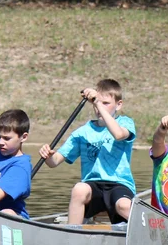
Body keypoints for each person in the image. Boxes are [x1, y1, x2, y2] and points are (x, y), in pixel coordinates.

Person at [38, 80, 136, 224]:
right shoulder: (82, 132)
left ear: (119, 105)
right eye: (96, 103)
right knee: (79, 189)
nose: (99, 108)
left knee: (123, 206)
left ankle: (148, 230)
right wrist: (48, 156)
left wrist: (97, 102)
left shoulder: (125, 122)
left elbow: (118, 135)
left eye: (106, 103)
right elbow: (54, 162)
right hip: (92, 186)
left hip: (119, 184)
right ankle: (72, 234)